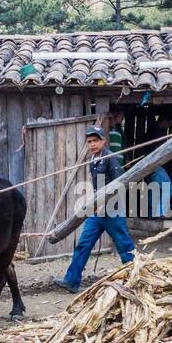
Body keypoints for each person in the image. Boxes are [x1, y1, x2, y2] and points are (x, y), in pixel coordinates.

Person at [53, 125, 136, 292]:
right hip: (97, 212)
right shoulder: (93, 160)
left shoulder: (110, 158)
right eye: (89, 141)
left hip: (112, 211)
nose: (91, 144)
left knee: (124, 246)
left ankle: (137, 277)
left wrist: (105, 203)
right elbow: (99, 187)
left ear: (103, 141)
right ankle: (71, 280)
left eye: (95, 141)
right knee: (83, 244)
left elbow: (119, 184)